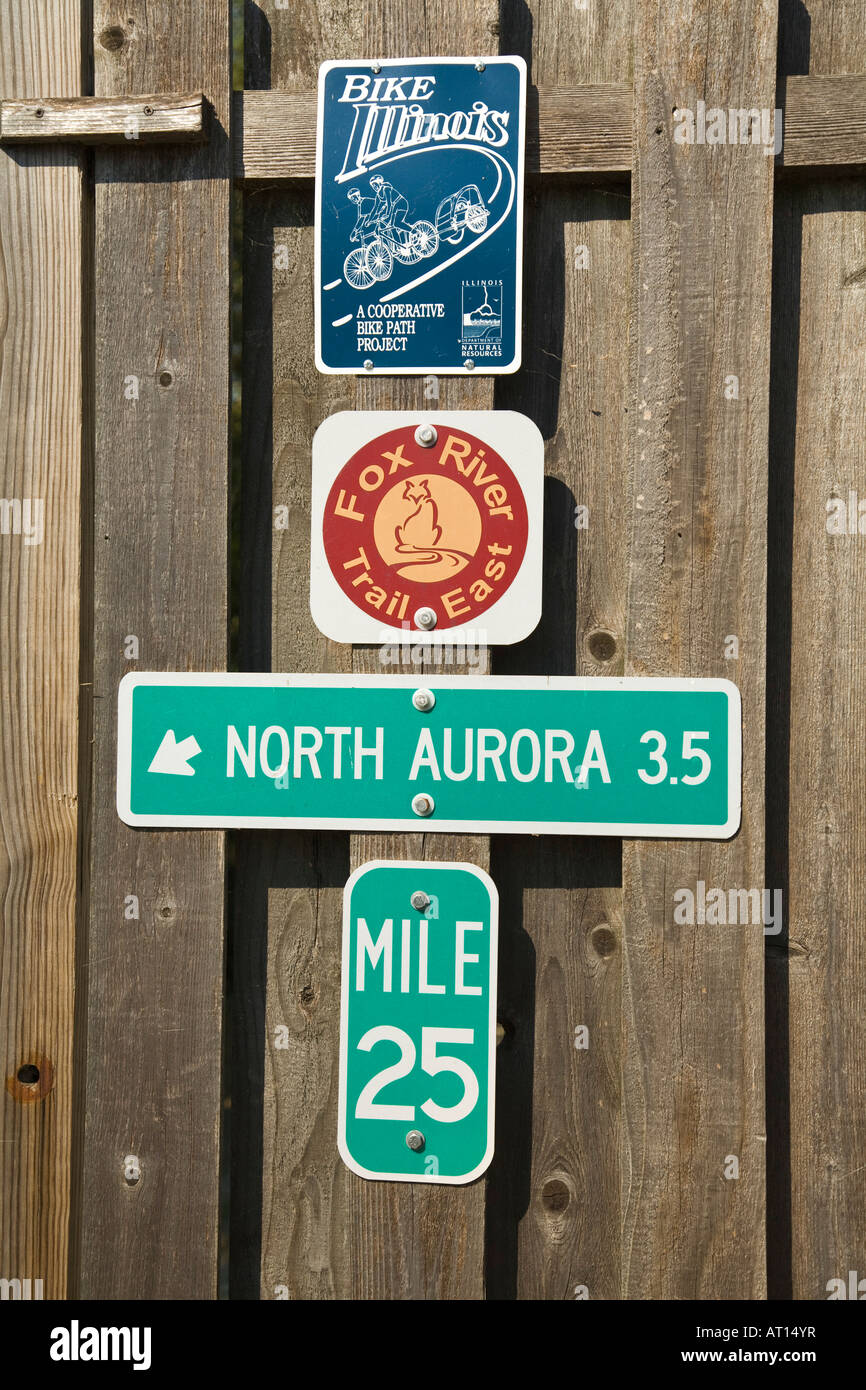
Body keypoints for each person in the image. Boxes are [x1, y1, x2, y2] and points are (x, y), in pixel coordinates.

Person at [369, 174, 412, 240]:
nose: (374, 187)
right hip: (394, 207)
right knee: (391, 227)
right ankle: (400, 246)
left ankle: (415, 232)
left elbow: (389, 203)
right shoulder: (378, 195)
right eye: (372, 186)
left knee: (397, 223)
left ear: (379, 183)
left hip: (401, 203)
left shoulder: (386, 189)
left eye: (375, 184)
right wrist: (369, 220)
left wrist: (387, 214)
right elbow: (375, 209)